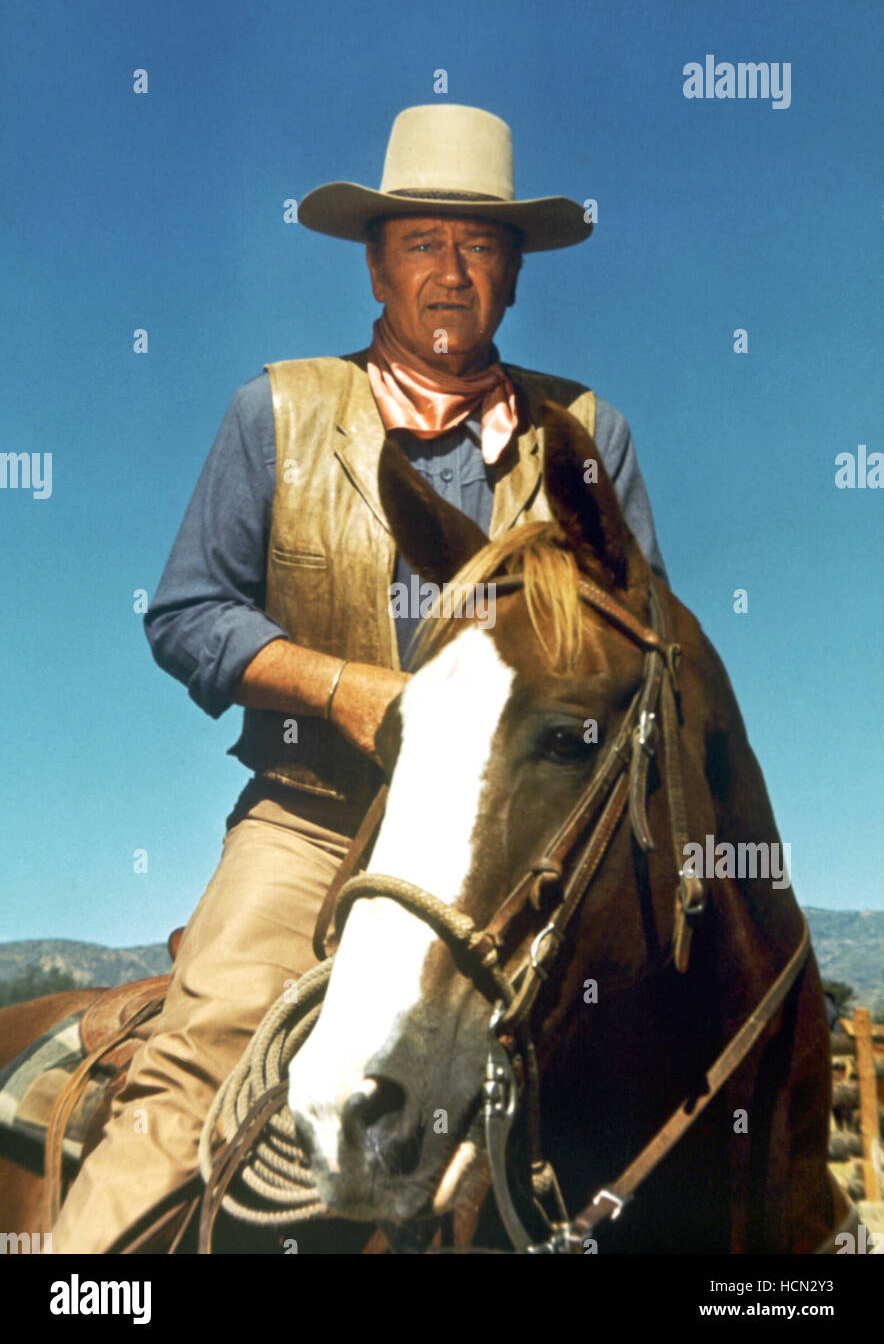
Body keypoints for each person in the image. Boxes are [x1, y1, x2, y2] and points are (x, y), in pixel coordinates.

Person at [50, 103, 667, 1252]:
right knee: (196, 1060)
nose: (450, 271)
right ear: (375, 264)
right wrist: (345, 692)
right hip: (309, 820)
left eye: (478, 246)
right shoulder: (275, 411)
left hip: (514, 855)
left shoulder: (589, 436)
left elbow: (639, 657)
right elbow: (188, 613)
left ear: (515, 276)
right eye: (422, 243)